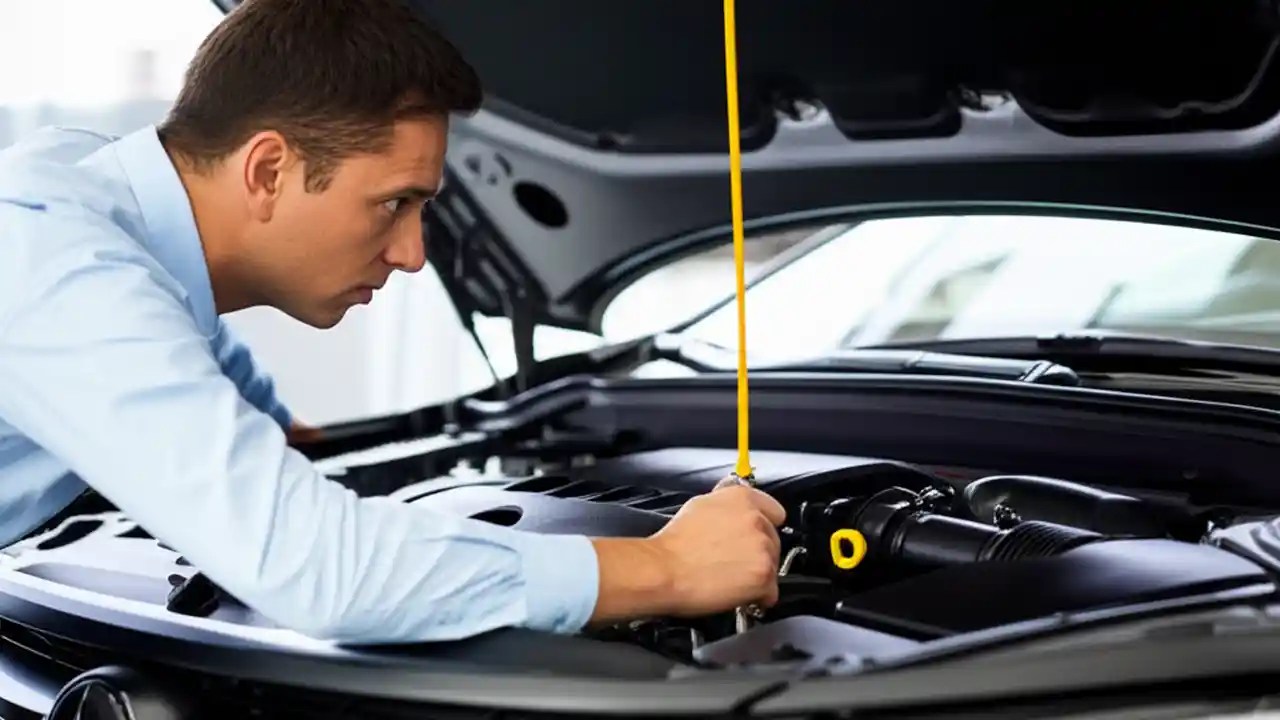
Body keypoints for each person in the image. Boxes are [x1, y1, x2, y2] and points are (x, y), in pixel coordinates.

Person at [0, 0, 785, 643]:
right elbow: (322, 576)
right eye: (394, 203)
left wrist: (279, 427)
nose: (413, 254)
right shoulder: (62, 265)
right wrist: (670, 568)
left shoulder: (83, 186)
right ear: (268, 171)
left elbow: (173, 318)